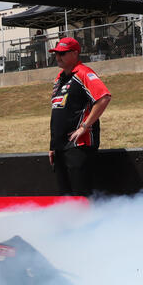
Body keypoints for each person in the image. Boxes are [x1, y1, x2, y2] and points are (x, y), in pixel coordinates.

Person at [48, 36, 112, 197]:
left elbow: (104, 98)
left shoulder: (84, 73)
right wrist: (52, 146)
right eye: (56, 53)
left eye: (62, 53)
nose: (58, 57)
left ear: (75, 53)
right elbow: (57, 112)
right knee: (65, 198)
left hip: (79, 145)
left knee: (81, 196)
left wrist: (84, 126)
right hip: (60, 147)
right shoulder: (59, 78)